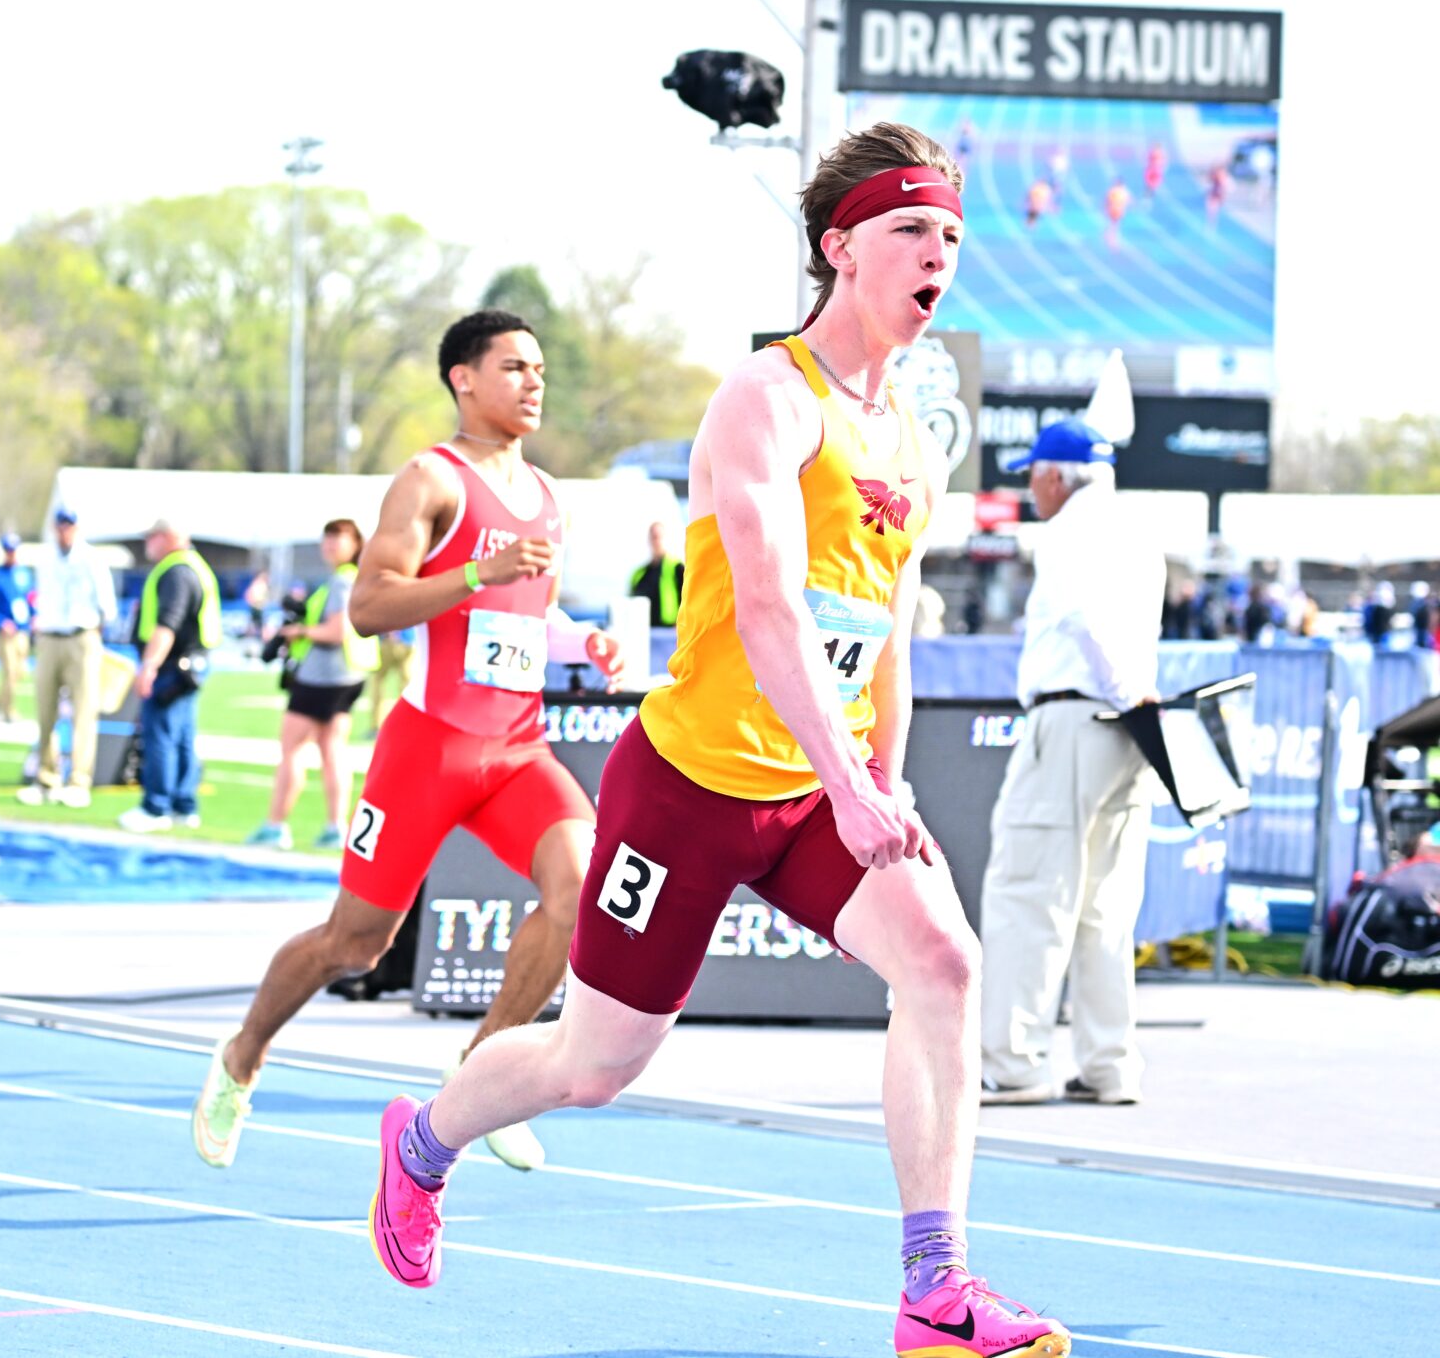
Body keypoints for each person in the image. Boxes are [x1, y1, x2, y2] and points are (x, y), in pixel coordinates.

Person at [364, 131, 1071, 1358]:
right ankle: (422, 1142)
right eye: (912, 231)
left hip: (817, 789)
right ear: (839, 248)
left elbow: (888, 628)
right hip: (687, 787)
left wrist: (878, 781)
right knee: (595, 1064)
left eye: (951, 237)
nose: (937, 256)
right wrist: (851, 779)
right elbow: (767, 607)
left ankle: (934, 1292)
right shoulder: (766, 398)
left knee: (944, 964)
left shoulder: (910, 430)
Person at [194, 309, 624, 1176]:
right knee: (355, 944)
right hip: (428, 748)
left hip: (517, 748)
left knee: (583, 887)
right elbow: (369, 605)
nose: (534, 381)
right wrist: (472, 571)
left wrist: (585, 642)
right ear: (464, 378)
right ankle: (242, 1054)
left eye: (540, 368)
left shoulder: (548, 496)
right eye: (514, 367)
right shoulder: (431, 480)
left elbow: (530, 615)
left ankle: (483, 1069)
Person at [978, 419, 1164, 1111]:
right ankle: (1109, 1063)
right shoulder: (1138, 529)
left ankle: (1014, 1062)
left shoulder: (1067, 532)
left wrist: (1116, 689)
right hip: (1129, 728)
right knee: (1105, 907)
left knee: (1030, 894)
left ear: (1057, 475)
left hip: (1076, 715)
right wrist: (1131, 700)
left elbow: (1085, 620)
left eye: (1033, 473)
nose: (1029, 486)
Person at [248, 519, 378, 851]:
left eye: (339, 539)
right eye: (327, 539)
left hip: (324, 676)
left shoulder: (341, 583)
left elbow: (336, 632)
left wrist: (298, 632)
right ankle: (335, 825)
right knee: (333, 750)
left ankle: (275, 825)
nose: (330, 545)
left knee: (292, 748)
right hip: (346, 675)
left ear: (355, 543)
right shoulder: (351, 579)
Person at [118, 517, 217, 833]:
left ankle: (156, 805)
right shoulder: (192, 565)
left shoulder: (176, 571)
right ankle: (183, 804)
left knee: (160, 735)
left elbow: (167, 624)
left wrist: (149, 666)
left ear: (167, 537)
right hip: (191, 663)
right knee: (183, 736)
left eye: (152, 537)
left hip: (173, 664)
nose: (148, 543)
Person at [21, 507, 117, 809]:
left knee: (83, 712)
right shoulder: (44, 557)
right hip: (50, 636)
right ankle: (46, 778)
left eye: (69, 525)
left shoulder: (91, 558)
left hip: (81, 635)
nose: (65, 530)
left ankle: (79, 780)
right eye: (61, 525)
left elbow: (107, 606)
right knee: (45, 710)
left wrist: (93, 635)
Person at [0, 532, 32, 723]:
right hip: (4, 632)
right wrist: (1, 622)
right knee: (9, 671)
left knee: (20, 672)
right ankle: (9, 710)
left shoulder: (24, 574)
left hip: (22, 630)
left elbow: (29, 600)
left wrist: (34, 616)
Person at [628, 519, 684, 629]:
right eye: (653, 537)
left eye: (659, 537)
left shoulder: (677, 567)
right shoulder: (638, 574)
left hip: (670, 631)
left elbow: (688, 600)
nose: (656, 541)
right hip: (645, 630)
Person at [1103, 177, 1130, 252]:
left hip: (1113, 209)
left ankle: (1109, 237)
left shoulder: (1113, 190)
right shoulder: (1124, 192)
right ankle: (1112, 240)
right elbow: (1128, 201)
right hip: (1118, 210)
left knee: (1112, 224)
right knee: (1115, 225)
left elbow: (1107, 200)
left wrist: (1105, 208)